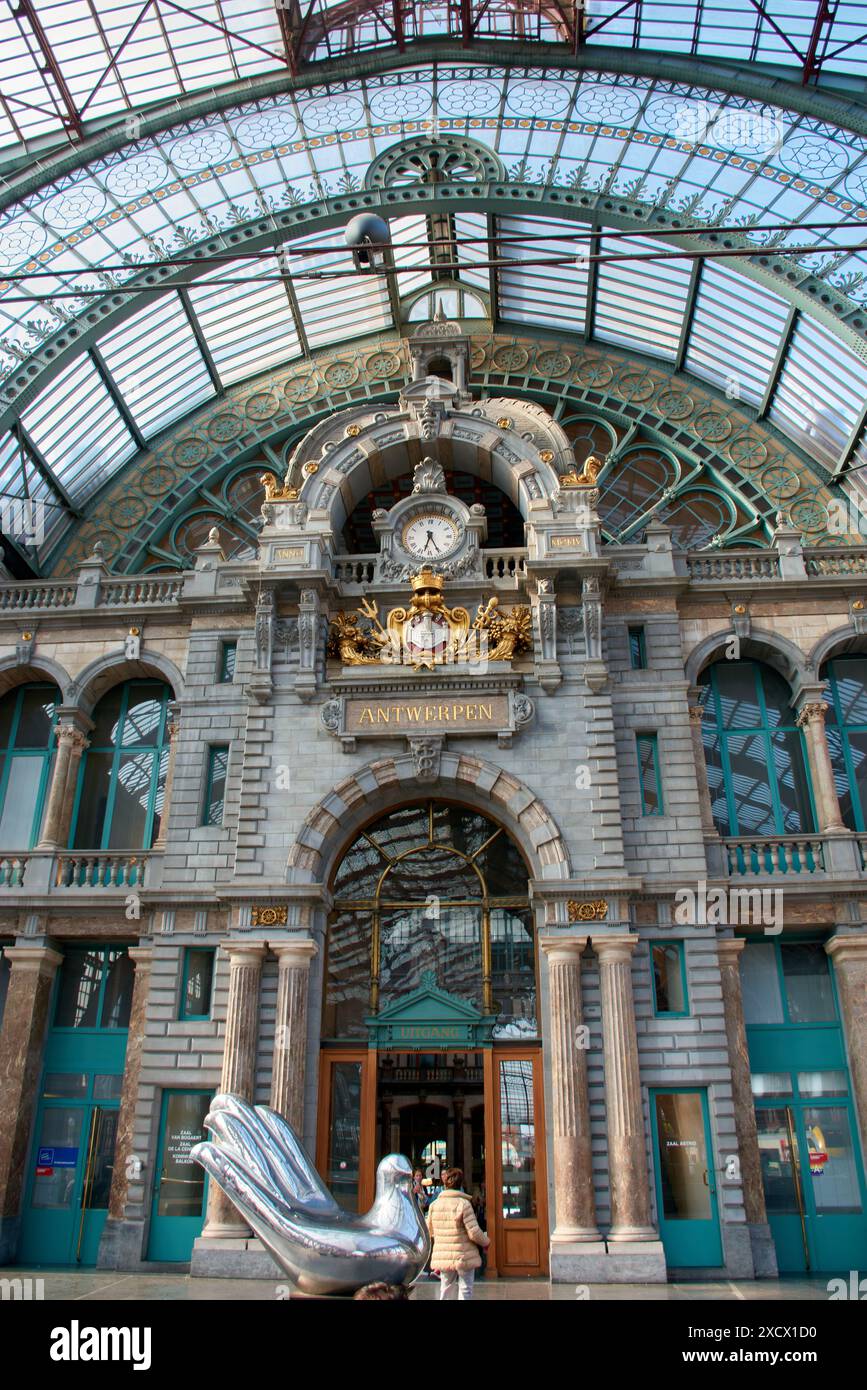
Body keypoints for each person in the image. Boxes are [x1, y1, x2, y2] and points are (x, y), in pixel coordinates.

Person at [425, 1166, 490, 1301]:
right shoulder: (463, 1204)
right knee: (465, 1289)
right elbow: (474, 1232)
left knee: (446, 1288)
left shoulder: (434, 1205)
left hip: (444, 1254)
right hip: (463, 1254)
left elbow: (429, 1230)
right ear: (460, 1183)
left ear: (445, 1183)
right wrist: (486, 1241)